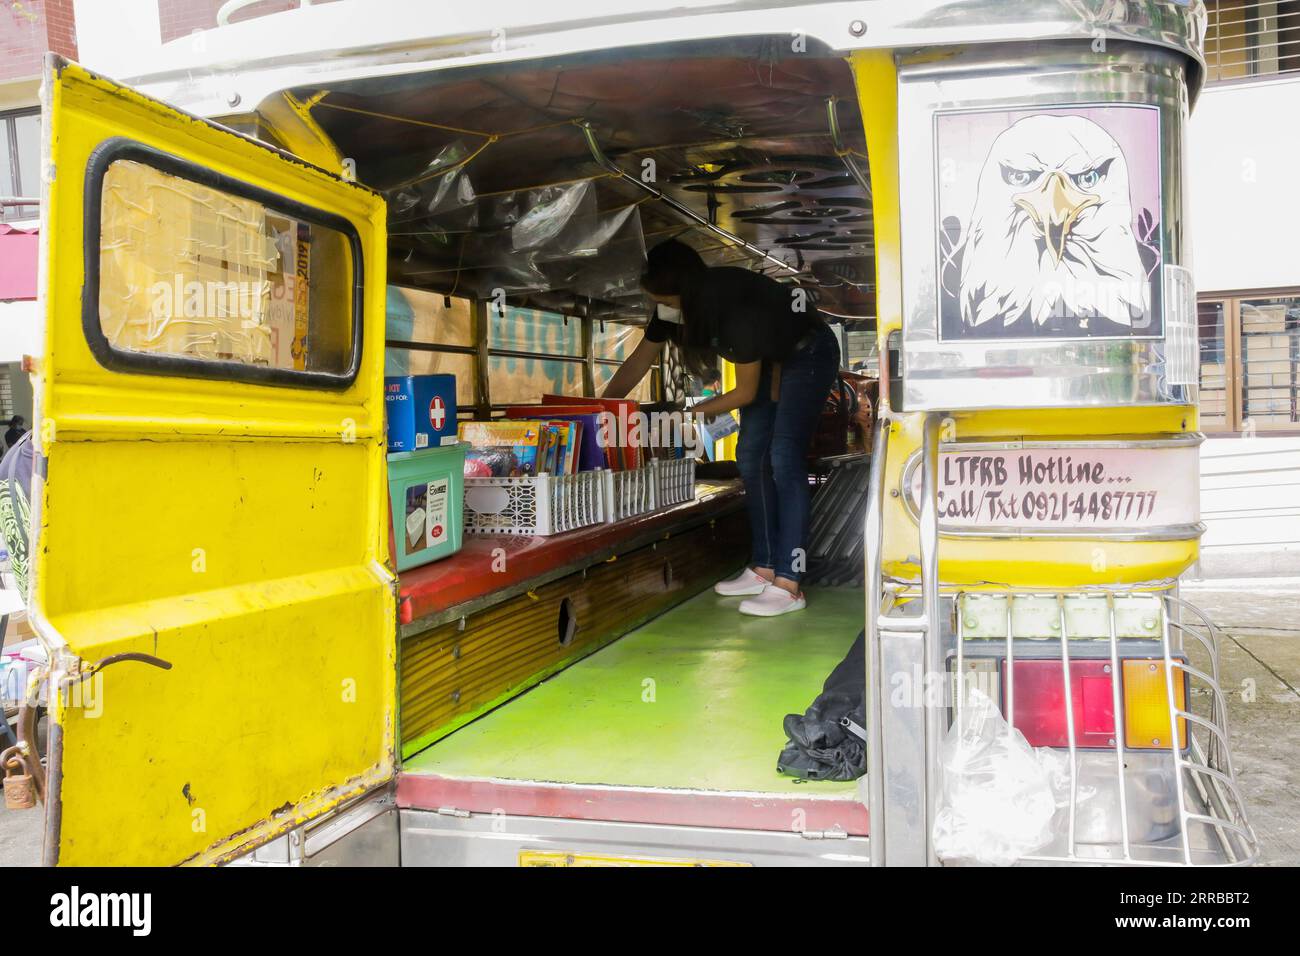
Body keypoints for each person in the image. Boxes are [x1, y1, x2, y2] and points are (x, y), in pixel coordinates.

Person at [602, 239, 840, 617]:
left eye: (666, 300)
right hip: (772, 360)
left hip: (806, 354)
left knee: (783, 457)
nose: (660, 309)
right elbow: (639, 360)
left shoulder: (735, 313)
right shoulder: (674, 309)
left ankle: (789, 583)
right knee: (748, 455)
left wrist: (690, 412)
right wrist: (602, 406)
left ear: (687, 293)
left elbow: (745, 392)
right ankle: (764, 567)